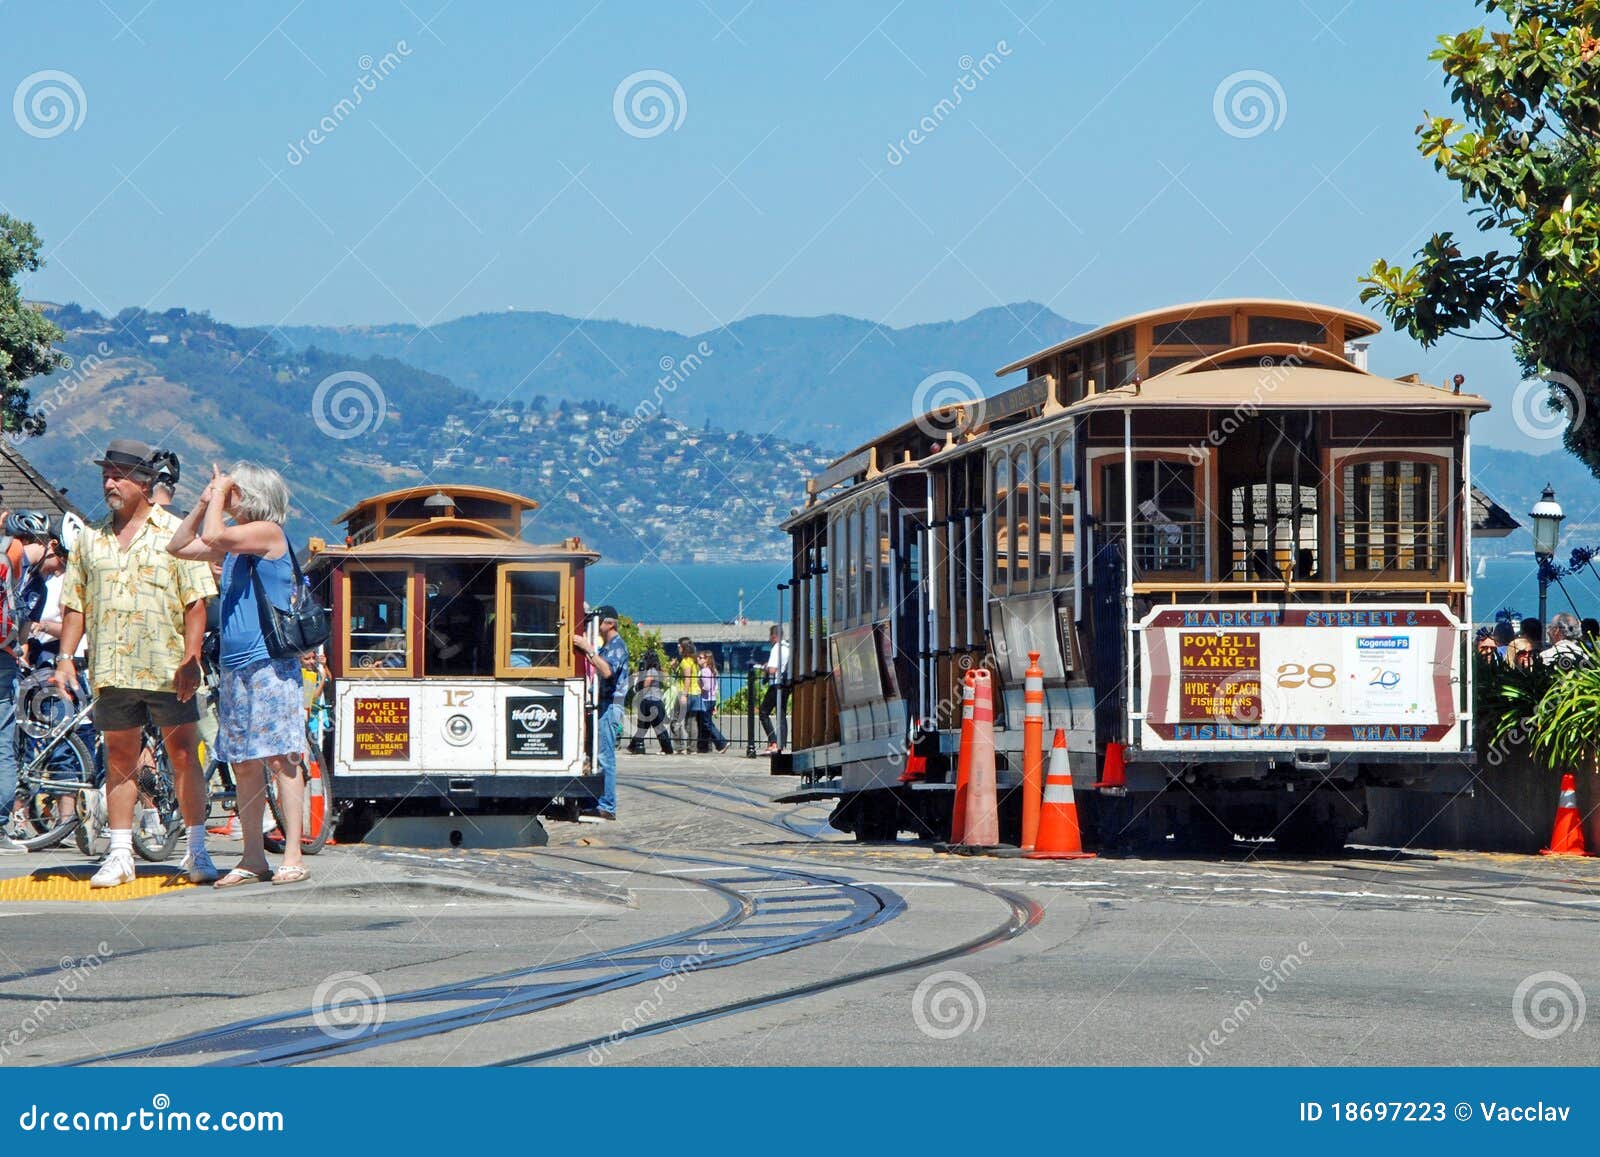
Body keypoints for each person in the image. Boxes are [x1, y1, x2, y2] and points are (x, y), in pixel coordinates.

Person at [57, 439, 218, 887]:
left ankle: (197, 850)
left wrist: (191, 658)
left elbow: (196, 604)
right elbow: (76, 604)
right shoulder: (91, 539)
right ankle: (121, 852)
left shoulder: (175, 534)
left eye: (119, 474)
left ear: (144, 483)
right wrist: (66, 659)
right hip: (112, 666)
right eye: (106, 473)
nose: (109, 481)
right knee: (120, 758)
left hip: (168, 666)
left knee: (183, 755)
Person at [168, 462, 311, 887]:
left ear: (249, 495)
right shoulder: (234, 546)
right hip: (235, 667)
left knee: (282, 756)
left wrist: (220, 492)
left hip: (269, 663)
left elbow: (211, 536)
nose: (224, 498)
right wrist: (201, 501)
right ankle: (252, 857)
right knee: (245, 761)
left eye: (232, 491)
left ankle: (292, 854)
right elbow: (178, 545)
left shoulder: (267, 532)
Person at [572, 605, 627, 820]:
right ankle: (595, 801)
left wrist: (588, 648)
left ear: (610, 623)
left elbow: (606, 671)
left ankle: (607, 805)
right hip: (602, 704)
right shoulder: (609, 646)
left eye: (601, 621)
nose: (598, 625)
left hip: (610, 705)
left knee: (605, 756)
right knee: (597, 754)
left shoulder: (617, 647)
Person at [628, 648, 673, 754]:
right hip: (655, 700)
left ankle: (667, 749)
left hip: (649, 700)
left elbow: (647, 682)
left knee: (655, 727)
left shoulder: (651, 670)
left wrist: (641, 690)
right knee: (645, 726)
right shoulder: (657, 670)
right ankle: (634, 746)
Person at [758, 624, 790, 755]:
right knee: (781, 714)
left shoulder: (776, 648)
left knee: (763, 712)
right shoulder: (787, 647)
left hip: (776, 684)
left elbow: (772, 670)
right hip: (786, 683)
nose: (770, 640)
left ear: (774, 636)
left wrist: (764, 667)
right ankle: (781, 744)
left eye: (770, 637)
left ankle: (773, 742)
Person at [694, 650, 730, 753]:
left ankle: (721, 742)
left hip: (705, 699)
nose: (698, 659)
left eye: (700, 658)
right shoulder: (711, 670)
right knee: (703, 723)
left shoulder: (705, 671)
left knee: (707, 723)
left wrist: (699, 688)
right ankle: (703, 746)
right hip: (712, 699)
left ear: (706, 660)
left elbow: (707, 687)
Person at [670, 637, 698, 750]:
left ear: (683, 648)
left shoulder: (686, 662)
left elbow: (687, 678)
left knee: (676, 719)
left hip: (685, 692)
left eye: (679, 646)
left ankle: (679, 746)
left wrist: (684, 695)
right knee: (691, 721)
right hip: (695, 693)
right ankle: (692, 747)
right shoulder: (693, 660)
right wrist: (675, 667)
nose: (678, 648)